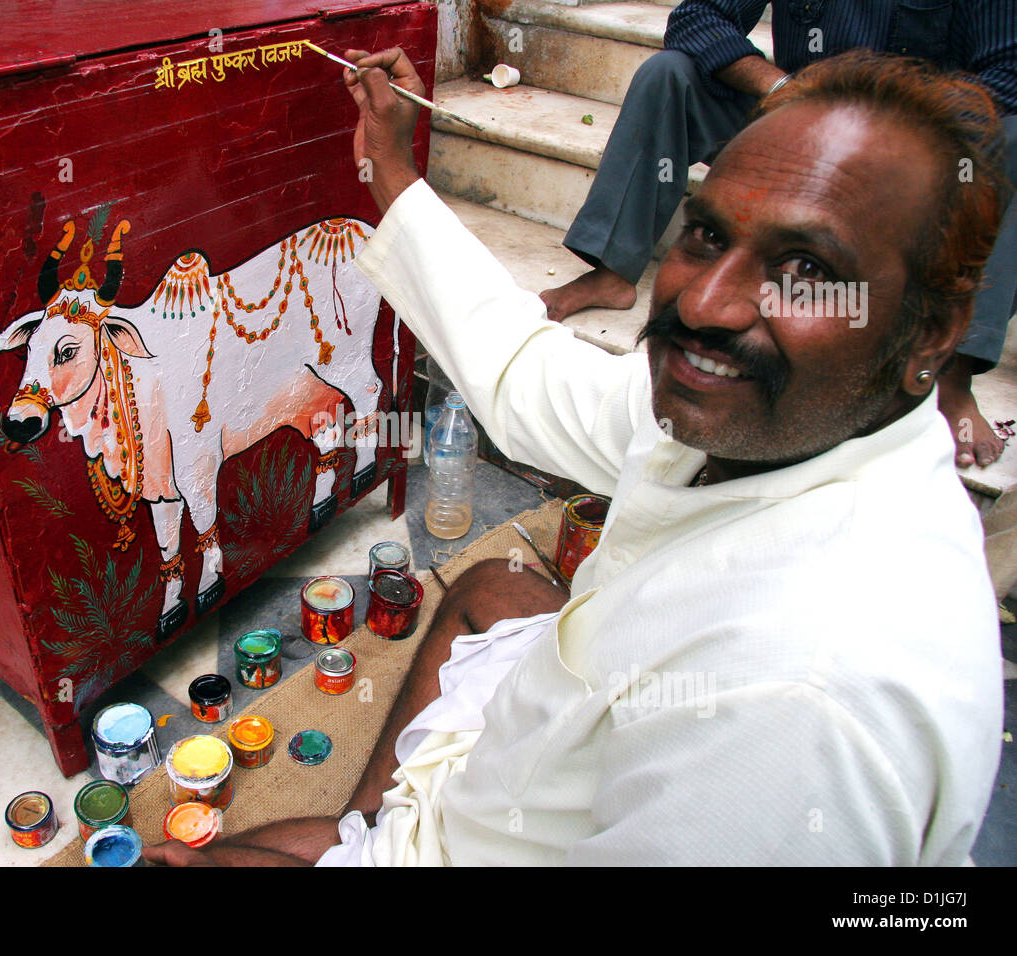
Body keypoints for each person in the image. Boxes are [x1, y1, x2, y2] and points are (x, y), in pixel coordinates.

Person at [142, 47, 1004, 866]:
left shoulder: (794, 712)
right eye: (705, 235)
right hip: (560, 742)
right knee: (487, 588)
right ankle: (365, 825)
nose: (705, 303)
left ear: (928, 333)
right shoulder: (775, 418)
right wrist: (394, 172)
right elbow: (527, 378)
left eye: (804, 270)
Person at [539, 0, 1017, 470]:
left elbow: (1007, 71)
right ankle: (612, 264)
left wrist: (884, 134)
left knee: (1011, 138)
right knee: (669, 73)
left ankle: (953, 372)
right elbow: (697, 18)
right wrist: (788, 91)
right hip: (789, 125)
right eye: (705, 236)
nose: (702, 307)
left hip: (909, 161)